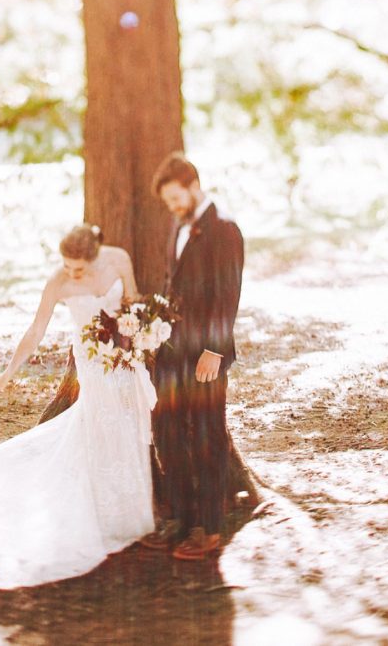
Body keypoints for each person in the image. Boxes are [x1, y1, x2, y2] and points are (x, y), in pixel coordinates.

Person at [0, 225, 155, 588]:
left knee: (127, 425)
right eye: (66, 266)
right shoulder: (58, 283)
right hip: (92, 363)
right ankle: (99, 516)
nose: (71, 273)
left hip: (124, 357)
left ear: (95, 257)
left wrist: (139, 332)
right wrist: (7, 374)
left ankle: (128, 517)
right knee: (100, 425)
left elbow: (133, 300)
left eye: (78, 268)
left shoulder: (118, 260)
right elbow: (36, 331)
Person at [139, 153, 245, 561]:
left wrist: (214, 350)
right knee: (166, 429)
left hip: (206, 353)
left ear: (193, 184)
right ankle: (180, 519)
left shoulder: (225, 228)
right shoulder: (178, 225)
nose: (171, 206)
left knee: (206, 434)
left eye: (174, 197)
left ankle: (210, 529)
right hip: (172, 350)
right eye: (167, 201)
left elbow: (228, 294)